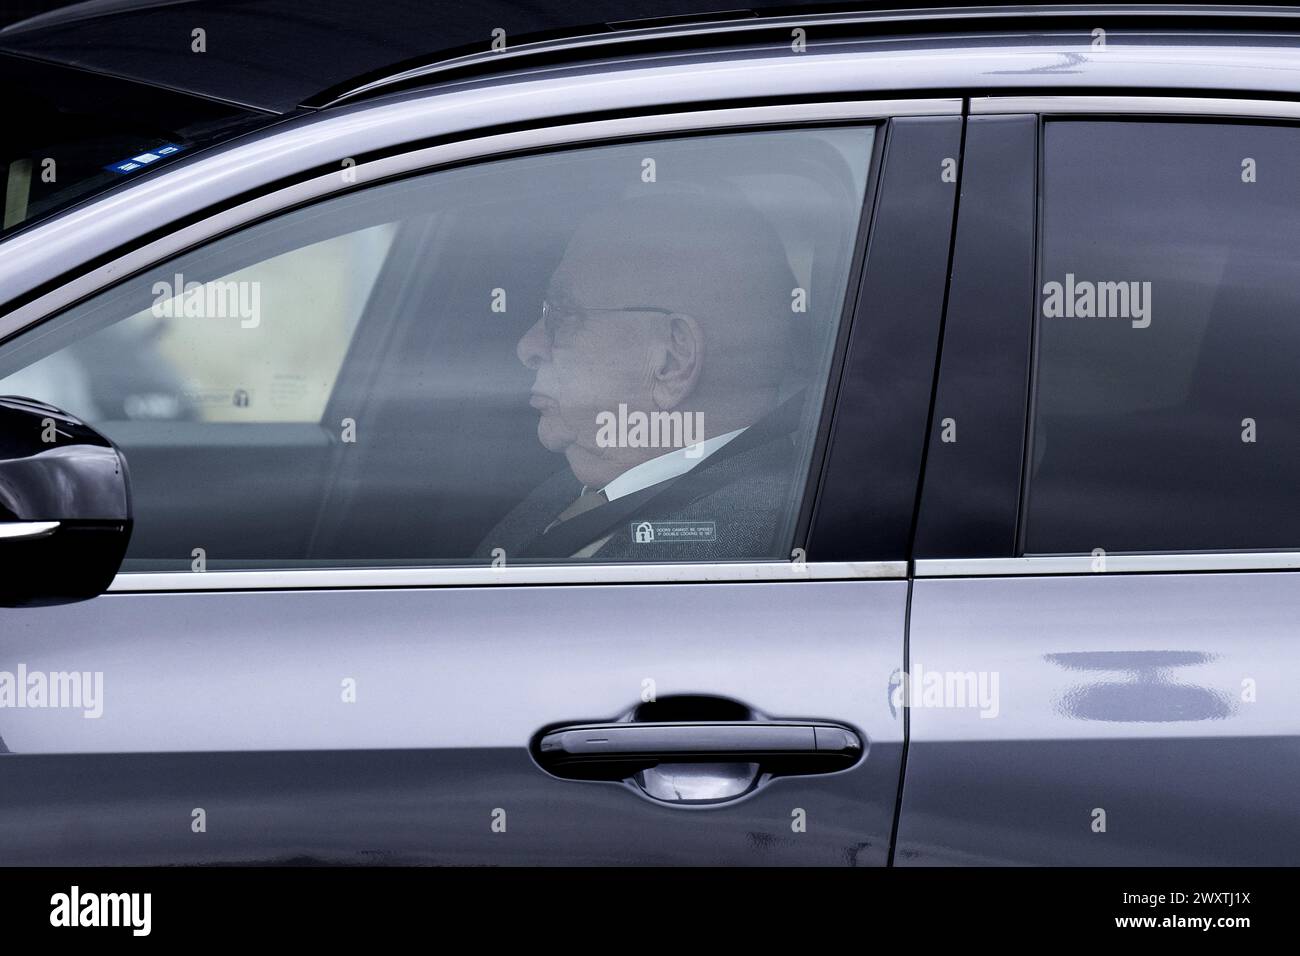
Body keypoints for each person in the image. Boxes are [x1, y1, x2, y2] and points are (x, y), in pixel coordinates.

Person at [477, 191, 805, 562]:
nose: (527, 346)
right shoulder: (586, 485)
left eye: (564, 315)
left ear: (671, 361)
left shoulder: (733, 556)